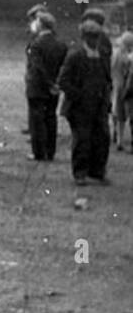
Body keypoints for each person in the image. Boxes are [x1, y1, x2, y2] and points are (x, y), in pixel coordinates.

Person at [58, 17, 113, 186]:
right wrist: (78, 95)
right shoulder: (75, 56)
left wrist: (106, 99)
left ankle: (97, 172)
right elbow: (63, 81)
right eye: (91, 36)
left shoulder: (103, 55)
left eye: (97, 36)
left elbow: (107, 79)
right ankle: (80, 173)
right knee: (82, 140)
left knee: (102, 138)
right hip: (80, 108)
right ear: (85, 37)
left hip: (99, 105)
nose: (95, 40)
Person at [26, 11, 68, 161]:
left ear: (41, 24)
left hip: (38, 86)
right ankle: (50, 151)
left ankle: (39, 152)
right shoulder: (61, 44)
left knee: (37, 120)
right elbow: (64, 66)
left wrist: (48, 82)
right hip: (53, 87)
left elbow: (37, 67)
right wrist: (56, 83)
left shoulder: (36, 44)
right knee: (51, 118)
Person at [111, 31, 133, 151]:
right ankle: (120, 139)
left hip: (115, 84)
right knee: (123, 115)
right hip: (124, 86)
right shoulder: (127, 57)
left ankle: (117, 136)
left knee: (117, 113)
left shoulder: (115, 53)